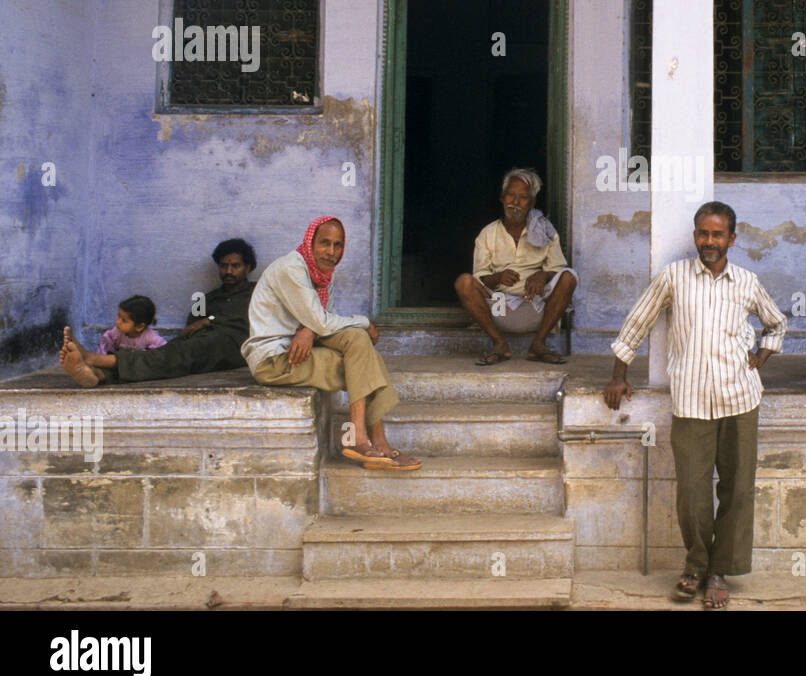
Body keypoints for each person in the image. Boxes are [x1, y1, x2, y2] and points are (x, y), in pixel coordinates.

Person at [604, 201, 787, 609]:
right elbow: (638, 321)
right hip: (690, 402)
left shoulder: (747, 282)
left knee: (738, 490)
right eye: (703, 233)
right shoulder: (673, 277)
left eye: (717, 234)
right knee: (692, 494)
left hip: (740, 398)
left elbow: (777, 321)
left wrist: (763, 353)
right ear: (695, 237)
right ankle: (696, 565)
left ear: (732, 239)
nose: (709, 241)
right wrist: (619, 373)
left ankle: (720, 571)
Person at [243, 216, 419, 471]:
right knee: (361, 355)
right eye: (324, 243)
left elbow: (323, 321)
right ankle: (366, 440)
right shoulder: (292, 268)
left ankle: (371, 441)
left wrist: (308, 331)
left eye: (338, 245)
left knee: (358, 345)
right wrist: (362, 321)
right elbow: (324, 322)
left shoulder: (324, 275)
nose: (332, 252)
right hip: (275, 359)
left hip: (301, 348)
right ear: (310, 242)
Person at [58, 238, 258, 387]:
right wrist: (196, 329)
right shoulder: (205, 298)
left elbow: (220, 321)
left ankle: (95, 359)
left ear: (247, 267)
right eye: (224, 266)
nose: (229, 271)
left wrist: (209, 321)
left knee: (180, 354)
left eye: (235, 266)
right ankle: (98, 376)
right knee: (169, 356)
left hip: (234, 345)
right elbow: (191, 328)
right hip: (202, 345)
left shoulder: (257, 292)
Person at [454, 167, 577, 366]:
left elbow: (558, 267)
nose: (515, 202)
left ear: (532, 202)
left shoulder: (545, 230)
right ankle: (499, 343)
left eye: (523, 197)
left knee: (569, 277)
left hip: (536, 307)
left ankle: (538, 344)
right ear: (502, 198)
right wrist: (497, 277)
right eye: (510, 195)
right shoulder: (488, 234)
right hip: (500, 308)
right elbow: (480, 276)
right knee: (464, 282)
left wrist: (542, 276)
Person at [96, 295, 166, 354]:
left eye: (124, 320)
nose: (118, 321)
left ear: (139, 326)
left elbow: (161, 352)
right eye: (118, 316)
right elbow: (105, 348)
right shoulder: (116, 333)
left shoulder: (151, 338)